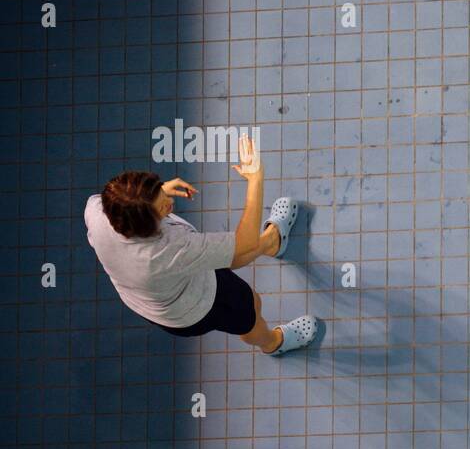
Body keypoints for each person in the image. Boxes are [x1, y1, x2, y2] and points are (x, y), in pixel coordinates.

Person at [85, 135, 318, 355]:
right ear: (143, 225)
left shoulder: (98, 211)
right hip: (197, 305)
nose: (169, 201)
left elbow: (118, 201)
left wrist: (150, 196)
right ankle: (273, 343)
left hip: (155, 295)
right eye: (161, 206)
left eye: (159, 190)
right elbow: (242, 246)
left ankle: (271, 242)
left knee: (232, 268)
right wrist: (255, 179)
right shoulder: (167, 251)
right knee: (251, 310)